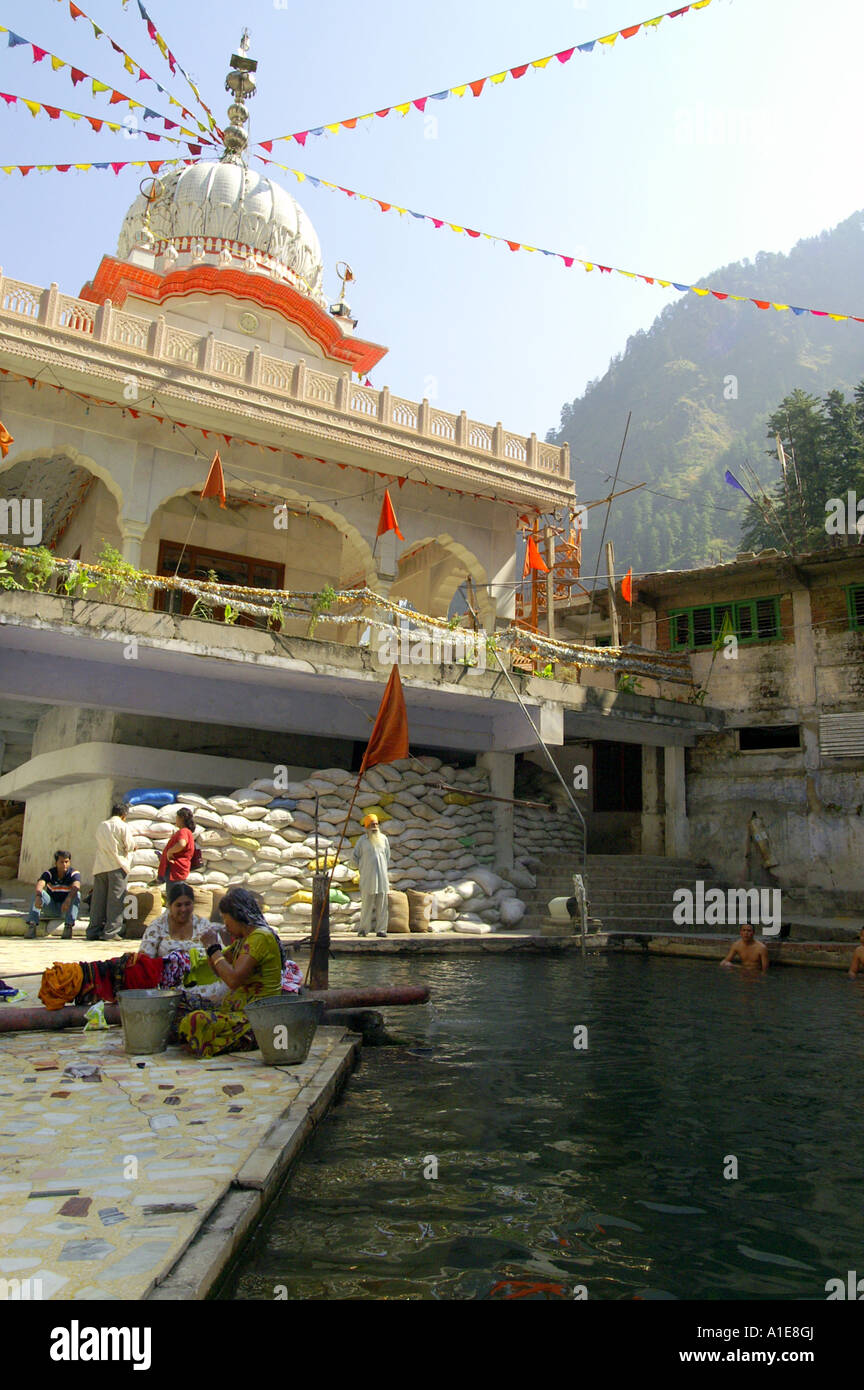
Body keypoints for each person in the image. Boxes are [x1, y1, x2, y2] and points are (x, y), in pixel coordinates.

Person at [177, 886, 285, 1058]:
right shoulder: (243, 940)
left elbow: (233, 980)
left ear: (238, 917)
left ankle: (202, 1041)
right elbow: (219, 969)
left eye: (227, 921)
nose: (226, 927)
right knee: (178, 1003)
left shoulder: (260, 938)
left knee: (195, 1020)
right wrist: (209, 947)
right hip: (231, 1010)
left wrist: (213, 948)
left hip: (254, 1020)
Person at [87, 801, 136, 942]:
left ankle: (93, 931)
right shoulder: (123, 826)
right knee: (115, 901)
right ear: (123, 815)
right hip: (116, 865)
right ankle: (111, 932)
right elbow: (130, 845)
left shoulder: (102, 825)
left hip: (100, 866)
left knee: (98, 900)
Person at [139, 880, 211, 958]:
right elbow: (145, 959)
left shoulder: (203, 925)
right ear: (170, 906)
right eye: (178, 905)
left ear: (193, 904)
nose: (183, 909)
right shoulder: (157, 926)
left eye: (187, 904)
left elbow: (217, 954)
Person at [25, 849, 81, 939]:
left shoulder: (73, 873)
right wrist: (38, 896)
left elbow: (76, 885)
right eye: (61, 862)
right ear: (56, 863)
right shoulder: (50, 873)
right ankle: (32, 925)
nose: (64, 865)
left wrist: (68, 899)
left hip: (65, 908)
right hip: (52, 907)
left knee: (77, 894)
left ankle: (68, 926)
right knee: (38, 893)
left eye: (66, 862)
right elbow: (41, 883)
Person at [352, 812, 391, 938]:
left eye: (376, 824)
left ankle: (381, 930)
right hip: (368, 878)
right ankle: (363, 930)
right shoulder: (362, 841)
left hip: (382, 878)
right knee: (367, 905)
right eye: (372, 824)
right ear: (366, 827)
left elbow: (387, 856)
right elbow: (355, 858)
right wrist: (362, 868)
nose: (375, 827)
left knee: (382, 905)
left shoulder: (384, 839)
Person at [157, 807, 196, 883]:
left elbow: (182, 844)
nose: (176, 820)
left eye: (177, 817)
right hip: (179, 869)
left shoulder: (183, 831)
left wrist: (169, 852)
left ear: (182, 818)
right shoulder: (188, 832)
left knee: (173, 892)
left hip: (175, 869)